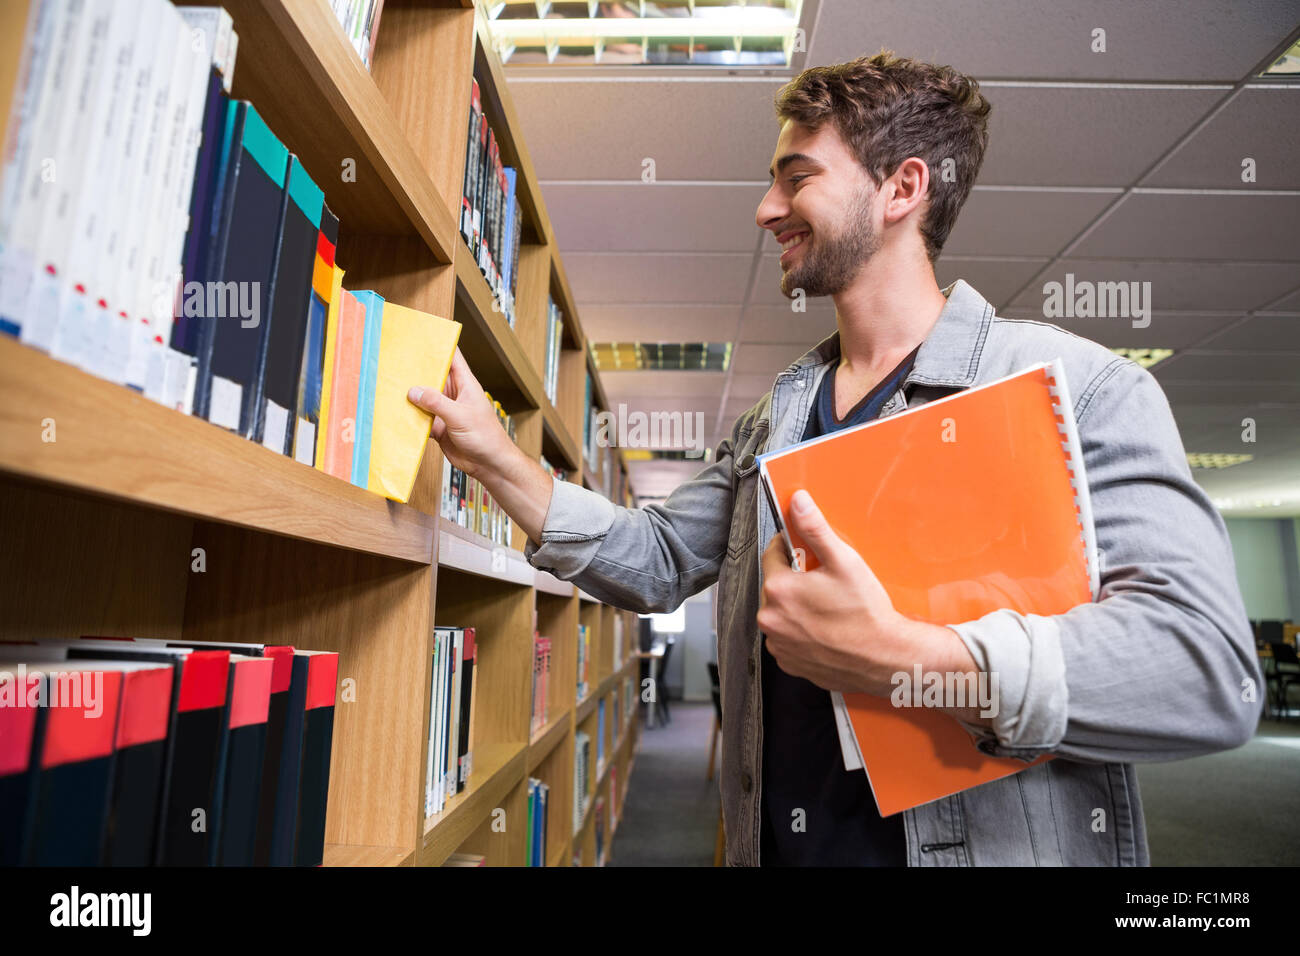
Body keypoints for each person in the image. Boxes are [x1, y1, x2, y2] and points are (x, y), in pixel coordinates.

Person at [406, 52, 1261, 866]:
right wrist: (493, 458)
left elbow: (1202, 670)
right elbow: (662, 559)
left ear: (903, 188)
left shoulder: (1079, 389)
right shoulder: (772, 422)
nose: (765, 208)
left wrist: (905, 661)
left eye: (797, 176)